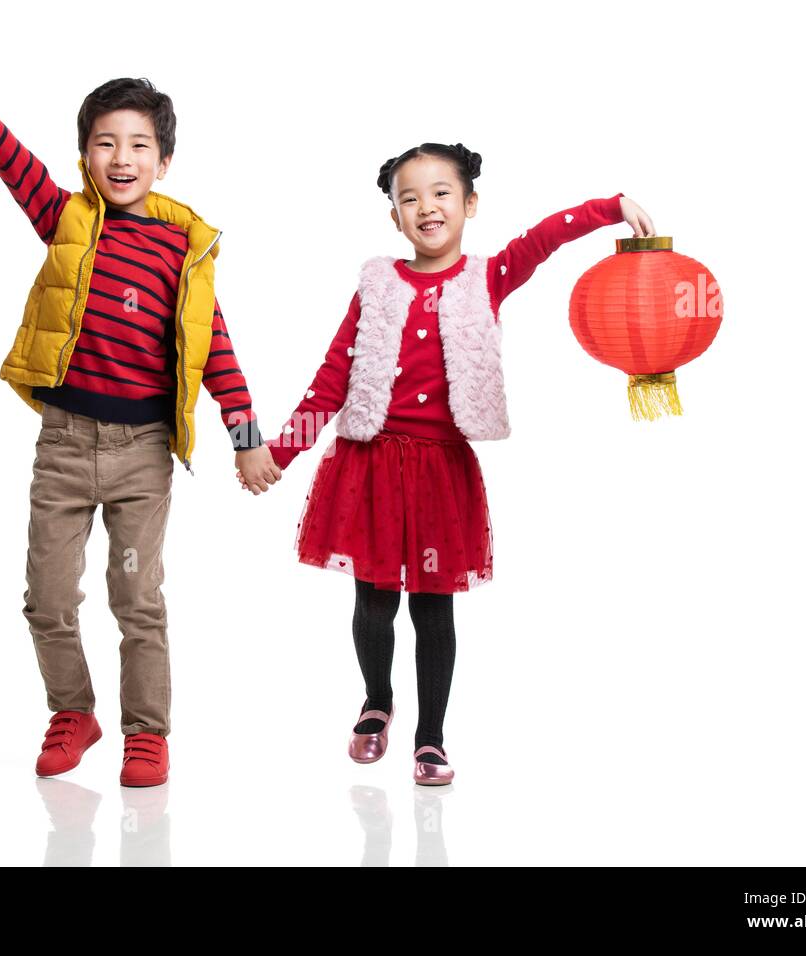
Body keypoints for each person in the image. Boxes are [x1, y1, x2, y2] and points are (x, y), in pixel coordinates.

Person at [0, 28, 281, 787]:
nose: (121, 158)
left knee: (136, 597)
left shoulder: (184, 252)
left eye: (138, 145)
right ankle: (73, 710)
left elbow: (218, 352)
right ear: (85, 156)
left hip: (142, 454)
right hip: (66, 445)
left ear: (163, 160)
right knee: (46, 596)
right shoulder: (68, 220)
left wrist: (246, 440)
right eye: (104, 143)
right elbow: (11, 161)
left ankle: (148, 731)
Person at [253, 142, 654, 785]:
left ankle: (431, 736)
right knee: (374, 598)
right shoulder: (377, 284)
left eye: (441, 193)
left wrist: (611, 208)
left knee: (433, 608)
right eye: (408, 198)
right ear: (394, 218)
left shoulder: (486, 278)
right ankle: (376, 700)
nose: (426, 207)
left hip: (441, 473)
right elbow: (333, 378)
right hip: (371, 467)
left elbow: (543, 239)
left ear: (469, 205)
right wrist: (278, 453)